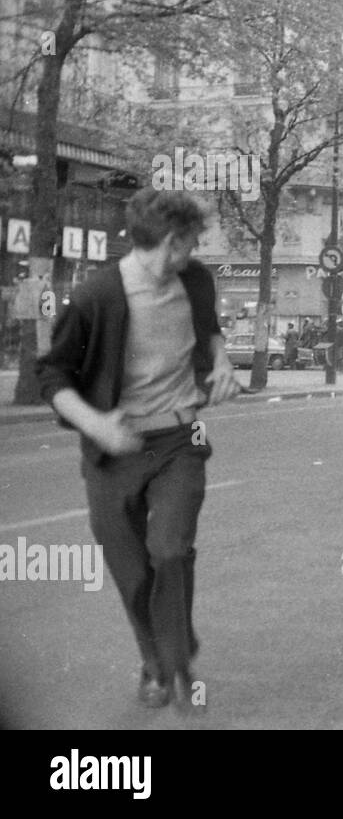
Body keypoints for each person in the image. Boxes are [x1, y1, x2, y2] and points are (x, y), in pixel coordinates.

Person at [35, 189, 240, 712]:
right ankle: (156, 659)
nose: (195, 252)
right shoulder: (96, 296)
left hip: (181, 438)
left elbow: (209, 332)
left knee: (170, 549)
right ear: (172, 242)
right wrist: (97, 427)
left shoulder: (195, 281)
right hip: (113, 449)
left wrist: (222, 363)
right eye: (192, 242)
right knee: (132, 570)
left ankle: (173, 658)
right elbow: (52, 374)